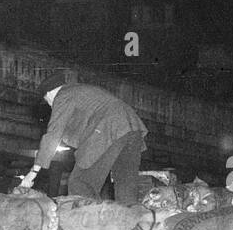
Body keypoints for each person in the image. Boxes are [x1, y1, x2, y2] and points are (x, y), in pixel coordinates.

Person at [20, 84, 148, 205]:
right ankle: (129, 222)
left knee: (80, 182)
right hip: (132, 127)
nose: (50, 105)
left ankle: (88, 225)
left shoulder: (63, 95)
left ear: (48, 94)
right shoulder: (81, 92)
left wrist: (33, 173)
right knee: (125, 184)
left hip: (108, 127)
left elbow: (53, 134)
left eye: (47, 101)